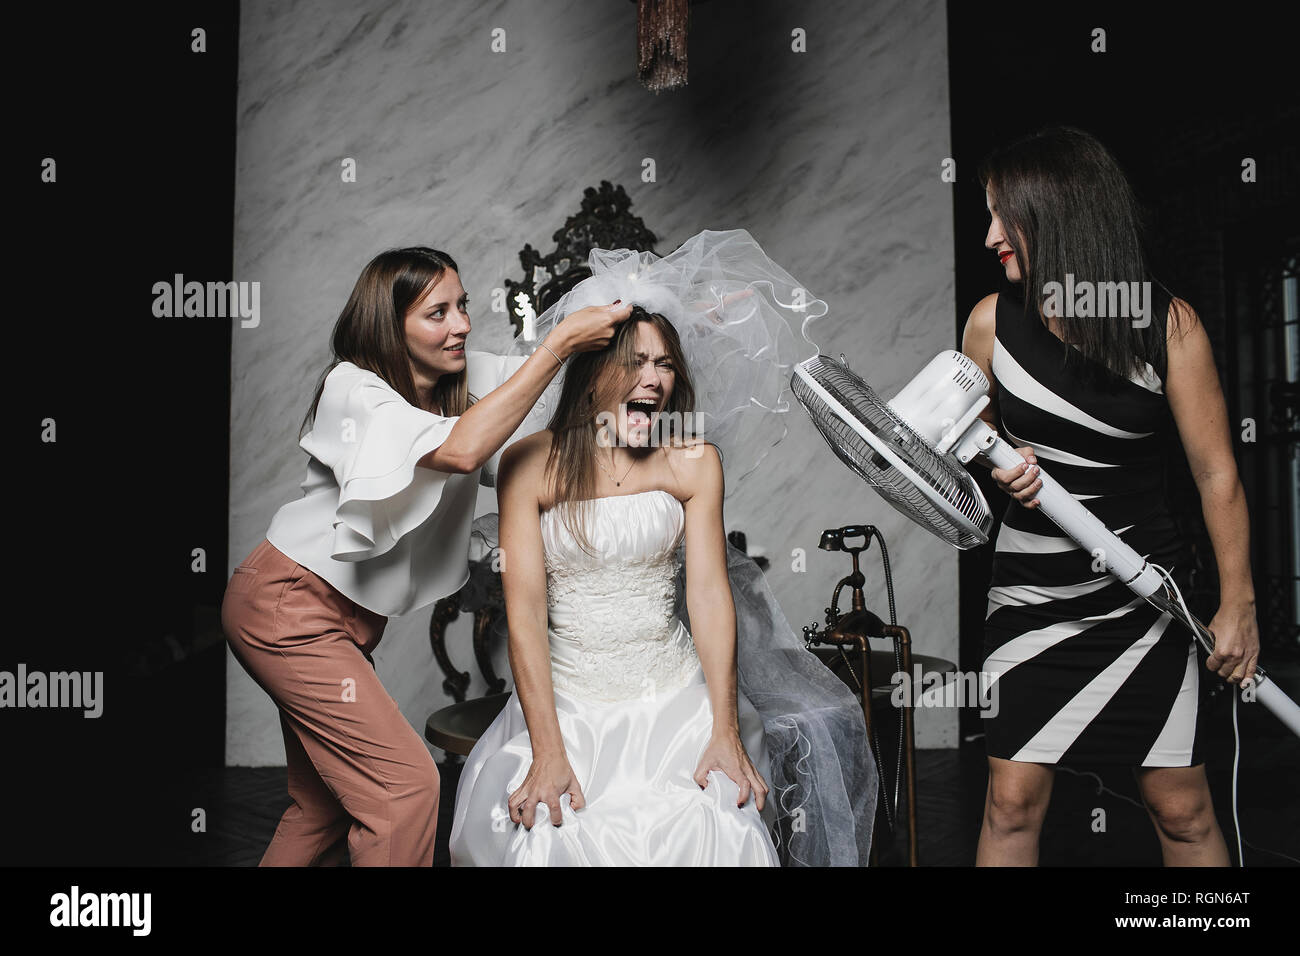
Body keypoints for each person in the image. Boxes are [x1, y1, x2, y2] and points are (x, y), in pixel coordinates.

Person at [449, 229, 877, 866]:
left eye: (665, 364)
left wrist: (724, 729)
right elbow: (526, 612)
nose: (652, 380)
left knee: (716, 828)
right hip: (566, 703)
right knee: (558, 838)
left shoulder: (694, 462)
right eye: (634, 362)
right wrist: (548, 750)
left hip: (677, 698)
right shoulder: (529, 464)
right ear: (592, 372)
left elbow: (708, 596)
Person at [221, 246, 630, 866]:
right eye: (437, 313)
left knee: (321, 808)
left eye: (462, 306)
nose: (461, 324)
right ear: (391, 326)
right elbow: (463, 450)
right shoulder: (352, 388)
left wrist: (672, 313)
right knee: (405, 791)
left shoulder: (465, 380)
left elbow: (557, 389)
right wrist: (560, 343)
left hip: (338, 620)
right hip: (287, 606)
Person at [961, 127, 1260, 866]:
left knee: (1182, 810)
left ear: (1056, 212)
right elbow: (966, 452)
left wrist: (1238, 602)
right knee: (1010, 803)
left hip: (1145, 599)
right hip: (1031, 599)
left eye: (1003, 215)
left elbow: (1216, 474)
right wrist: (999, 466)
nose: (990, 236)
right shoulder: (990, 323)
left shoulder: (1169, 327)